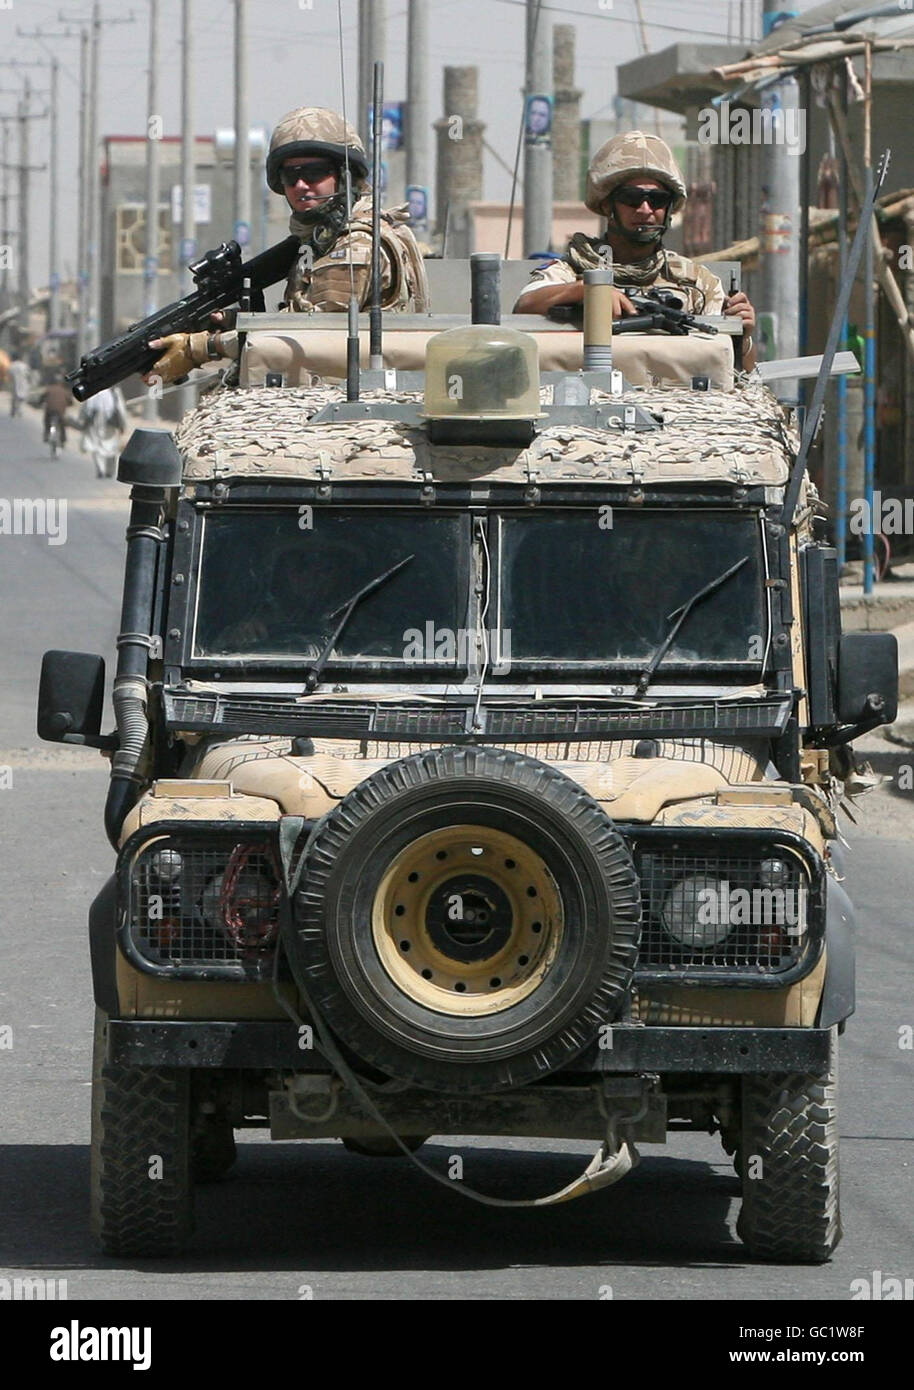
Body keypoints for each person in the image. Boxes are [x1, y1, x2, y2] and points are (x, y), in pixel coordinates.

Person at [147, 106, 429, 385]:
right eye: (290, 177)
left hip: (354, 394)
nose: (301, 185)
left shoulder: (356, 242)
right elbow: (301, 319)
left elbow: (313, 332)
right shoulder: (324, 238)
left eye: (315, 173)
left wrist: (202, 348)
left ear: (345, 176)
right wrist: (236, 322)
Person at [514, 130, 756, 371]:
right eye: (632, 198)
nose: (645, 209)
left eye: (657, 200)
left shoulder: (695, 283)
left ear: (669, 208)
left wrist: (742, 334)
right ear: (608, 204)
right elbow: (525, 304)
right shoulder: (572, 270)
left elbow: (738, 373)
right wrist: (587, 291)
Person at [79, 385, 127, 478]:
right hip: (109, 422)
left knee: (97, 445)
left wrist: (83, 420)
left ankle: (101, 469)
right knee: (111, 445)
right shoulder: (114, 391)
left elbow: (86, 407)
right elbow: (120, 408)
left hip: (96, 421)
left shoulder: (92, 390)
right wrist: (122, 425)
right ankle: (109, 470)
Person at [41, 375, 71, 448]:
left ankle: (46, 434)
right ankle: (63, 439)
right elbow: (70, 401)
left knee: (46, 421)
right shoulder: (65, 391)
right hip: (60, 412)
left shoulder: (49, 389)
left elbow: (41, 398)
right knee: (62, 424)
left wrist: (39, 403)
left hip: (50, 410)